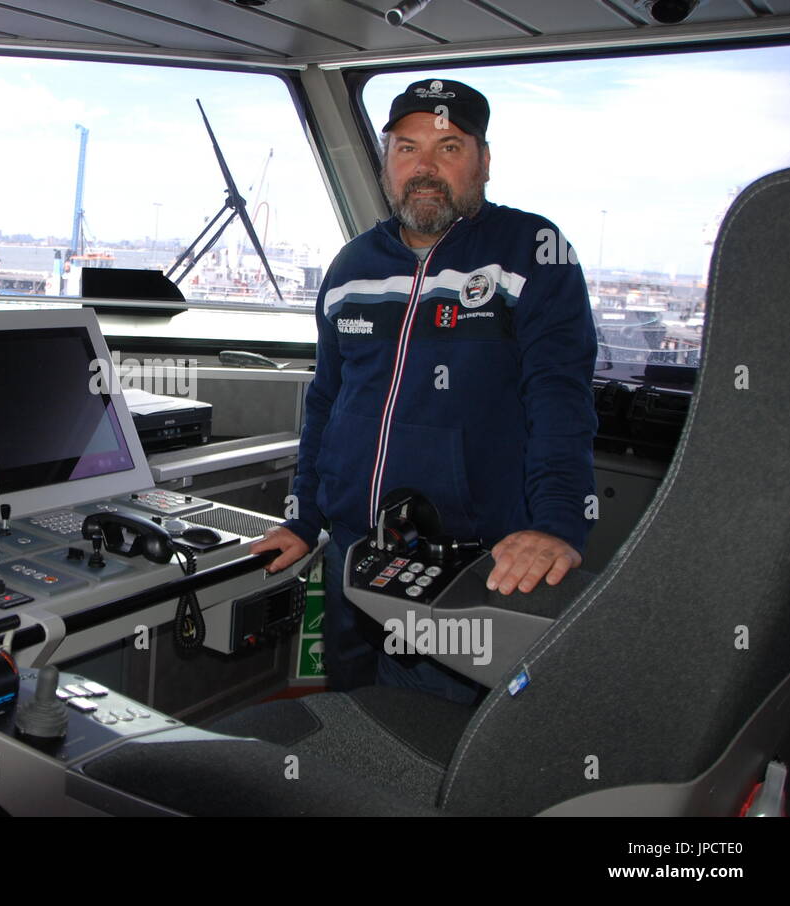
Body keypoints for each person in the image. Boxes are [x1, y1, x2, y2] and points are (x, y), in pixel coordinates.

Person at [251, 78, 598, 702]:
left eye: (449, 147)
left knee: (431, 743)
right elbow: (327, 402)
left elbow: (561, 403)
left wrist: (557, 524)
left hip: (466, 564)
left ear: (484, 161)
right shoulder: (352, 265)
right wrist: (304, 518)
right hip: (352, 550)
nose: (425, 169)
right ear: (387, 162)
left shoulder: (532, 253)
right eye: (408, 148)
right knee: (350, 718)